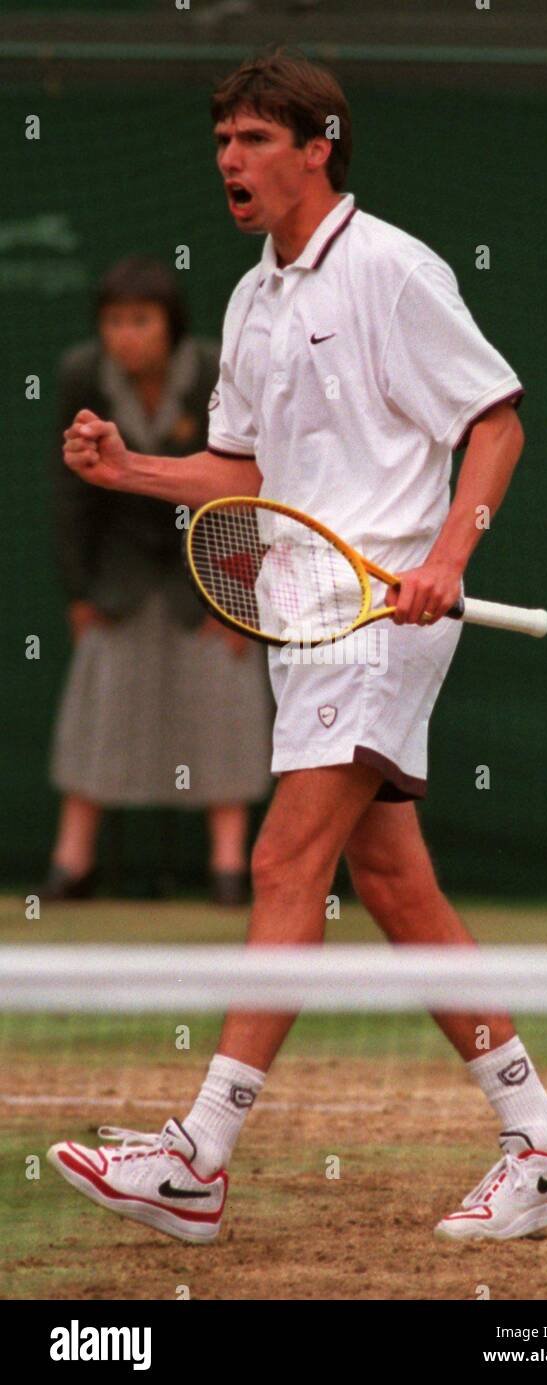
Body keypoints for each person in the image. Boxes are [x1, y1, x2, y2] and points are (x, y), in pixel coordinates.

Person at [48, 50, 547, 1243]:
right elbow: (242, 476)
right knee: (395, 885)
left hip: (384, 625)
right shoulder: (251, 300)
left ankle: (198, 1156)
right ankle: (546, 1149)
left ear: (318, 145)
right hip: (305, 617)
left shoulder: (393, 270)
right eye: (221, 142)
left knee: (280, 864)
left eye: (253, 139)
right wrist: (130, 468)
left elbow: (493, 422)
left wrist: (449, 555)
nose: (229, 162)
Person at [44, 256, 273, 907]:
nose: (125, 334)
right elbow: (70, 493)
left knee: (222, 708)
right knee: (99, 710)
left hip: (208, 569)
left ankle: (230, 868)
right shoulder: (80, 375)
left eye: (140, 320)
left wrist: (234, 601)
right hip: (119, 576)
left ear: (170, 326)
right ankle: (72, 863)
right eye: (113, 321)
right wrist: (80, 591)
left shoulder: (212, 370)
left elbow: (242, 491)